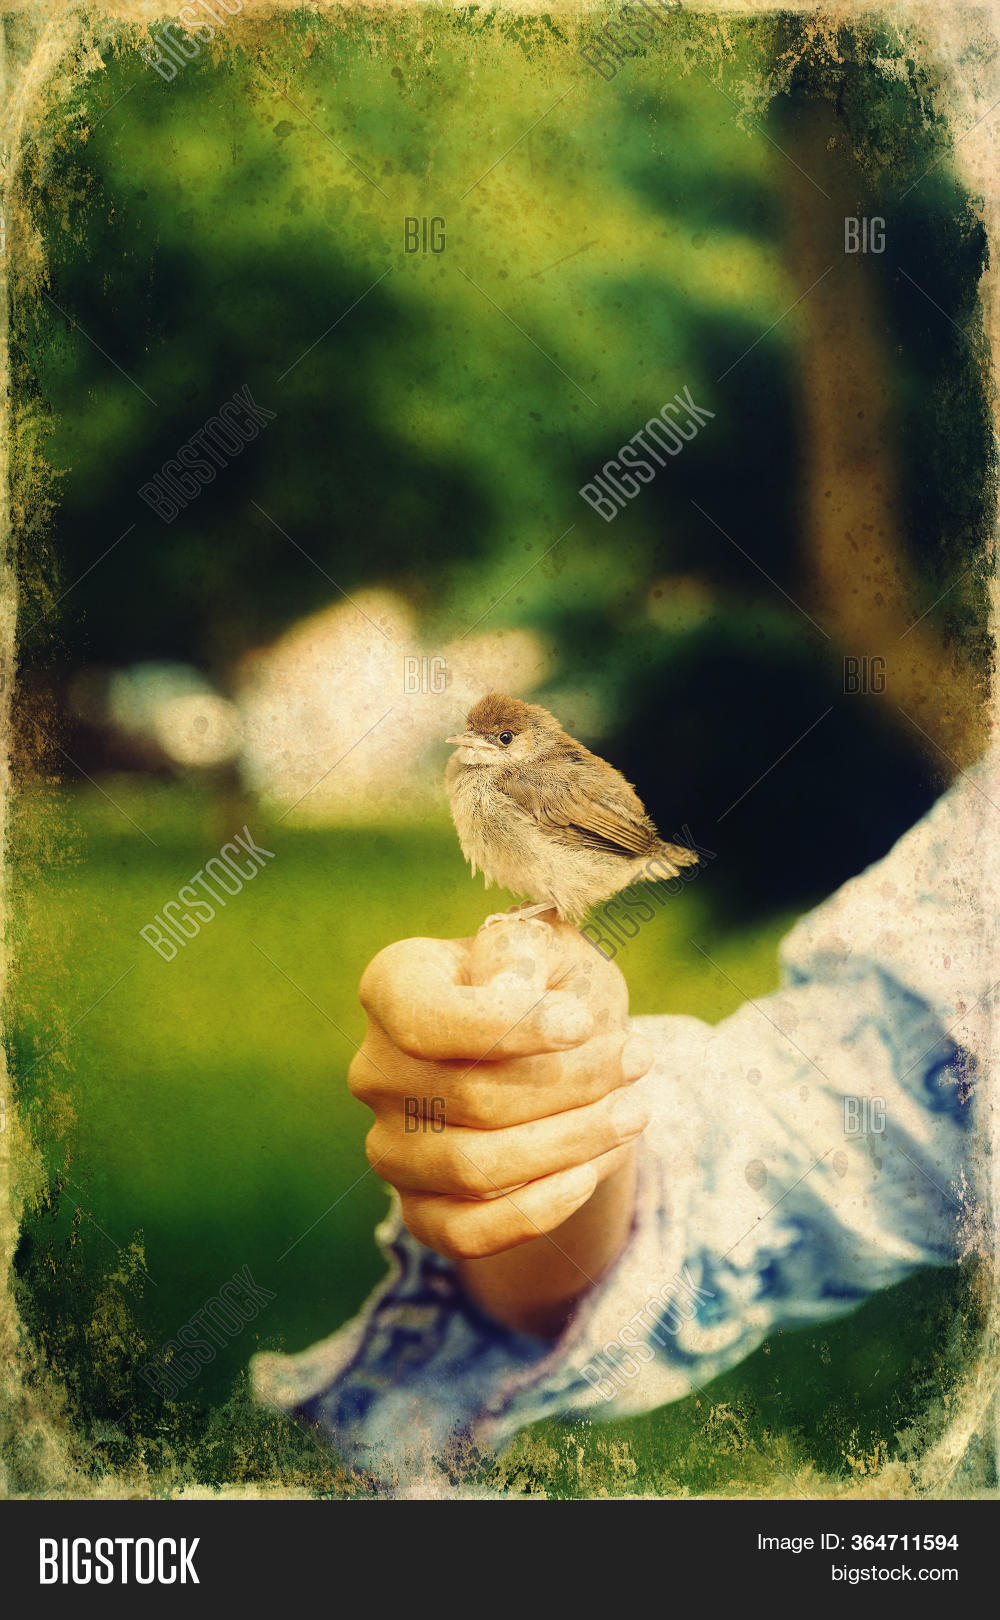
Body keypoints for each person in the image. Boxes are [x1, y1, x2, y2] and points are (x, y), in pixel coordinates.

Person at [252, 749, 994, 1492]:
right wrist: (562, 1106)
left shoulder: (528, 780)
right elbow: (816, 1126)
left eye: (495, 738)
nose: (471, 750)